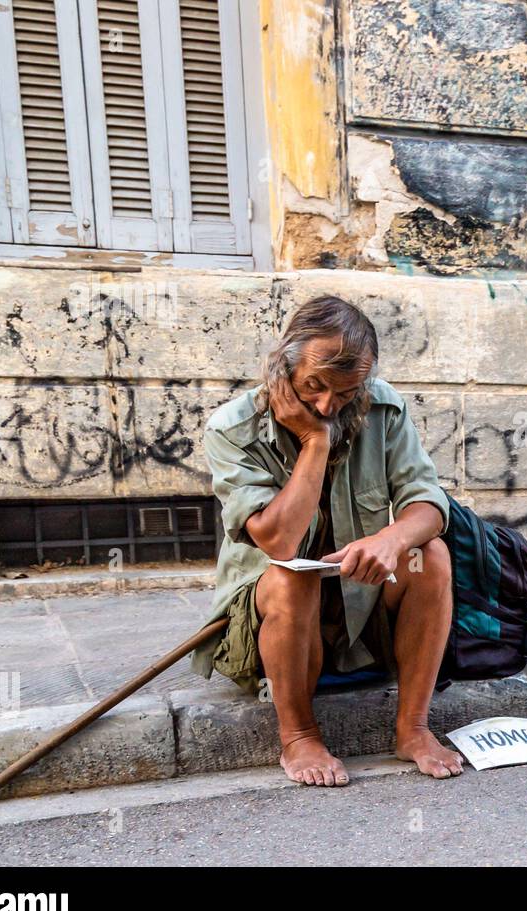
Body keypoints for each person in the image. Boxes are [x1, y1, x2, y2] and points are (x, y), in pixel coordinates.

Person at [193, 294, 462, 786]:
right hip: (269, 615)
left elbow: (427, 502)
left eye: (344, 393)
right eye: (314, 386)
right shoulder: (231, 429)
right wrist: (315, 442)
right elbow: (278, 542)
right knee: (291, 578)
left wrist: (391, 539)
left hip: (360, 607)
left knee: (431, 557)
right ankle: (298, 736)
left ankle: (414, 728)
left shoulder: (381, 406)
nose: (325, 404)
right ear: (284, 363)